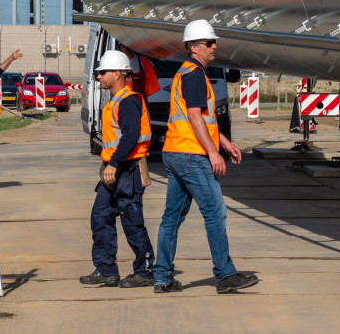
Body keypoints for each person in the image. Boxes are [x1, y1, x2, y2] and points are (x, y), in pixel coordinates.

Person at [153, 20, 257, 294]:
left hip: (175, 151)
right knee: (215, 211)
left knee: (172, 217)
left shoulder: (185, 72)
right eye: (210, 43)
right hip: (191, 155)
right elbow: (195, 116)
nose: (215, 47)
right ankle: (225, 275)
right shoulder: (195, 75)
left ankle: (162, 277)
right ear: (195, 47)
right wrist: (213, 152)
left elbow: (200, 120)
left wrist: (224, 142)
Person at [80, 50, 155, 288]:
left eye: (102, 72)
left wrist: (113, 164)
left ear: (118, 74)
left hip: (127, 170)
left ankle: (144, 272)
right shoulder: (114, 101)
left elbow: (131, 136)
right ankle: (106, 270)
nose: (99, 77)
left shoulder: (129, 101)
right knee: (100, 216)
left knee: (132, 222)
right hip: (113, 171)